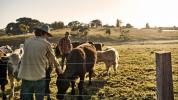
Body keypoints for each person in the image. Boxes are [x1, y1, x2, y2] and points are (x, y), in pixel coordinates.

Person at [18, 25, 62, 100]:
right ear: (43, 33)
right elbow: (53, 58)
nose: (47, 37)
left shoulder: (27, 41)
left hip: (25, 75)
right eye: (47, 35)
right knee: (39, 97)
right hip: (39, 76)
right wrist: (60, 70)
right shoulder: (46, 44)